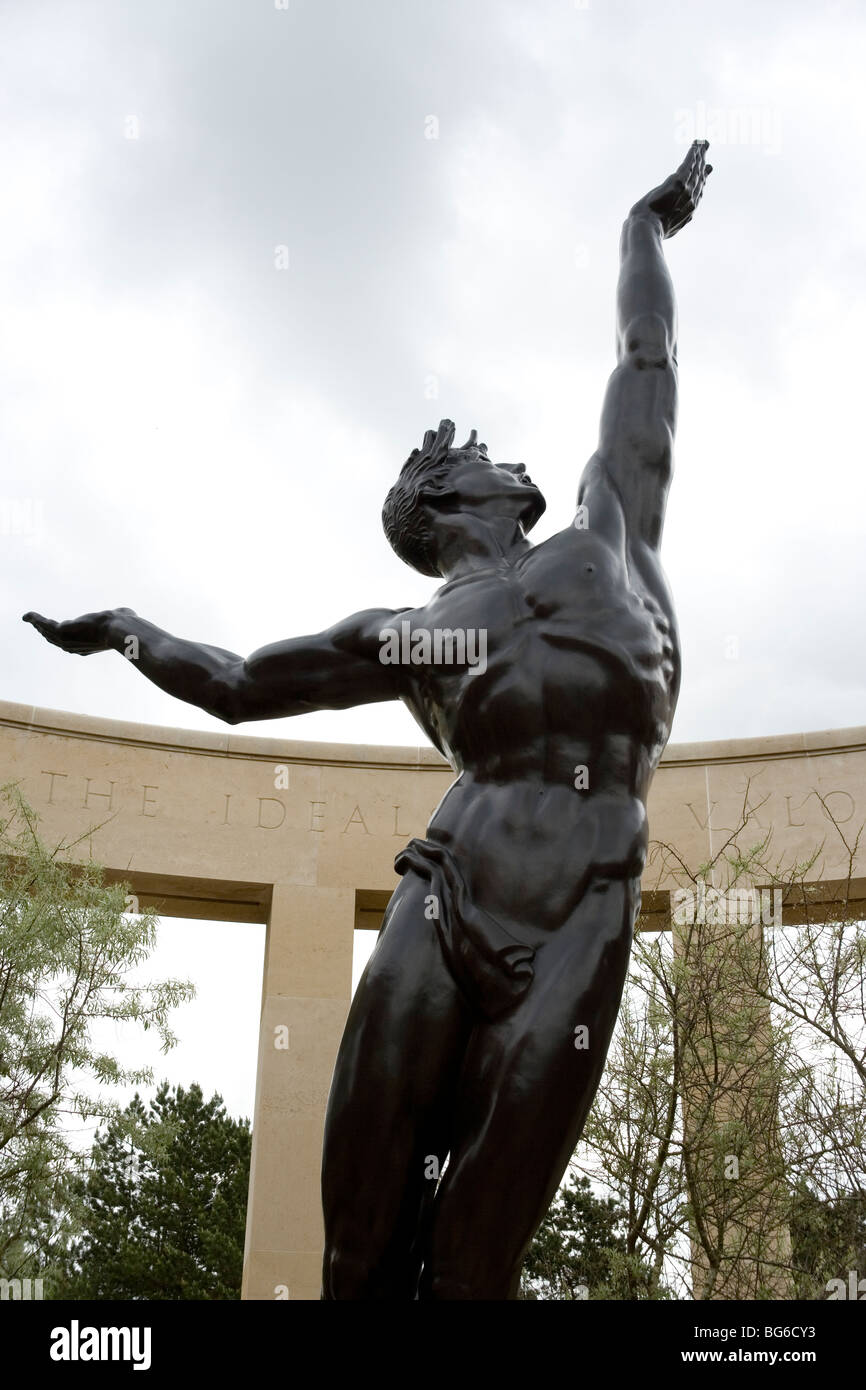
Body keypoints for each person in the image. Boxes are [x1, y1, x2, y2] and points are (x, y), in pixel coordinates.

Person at [25, 140, 712, 1300]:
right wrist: (129, 628)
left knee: (473, 1258)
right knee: (357, 1250)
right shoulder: (412, 631)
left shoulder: (607, 530)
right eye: (482, 453)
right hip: (442, 902)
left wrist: (642, 226)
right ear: (445, 500)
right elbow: (241, 683)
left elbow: (645, 355)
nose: (508, 455)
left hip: (579, 927)